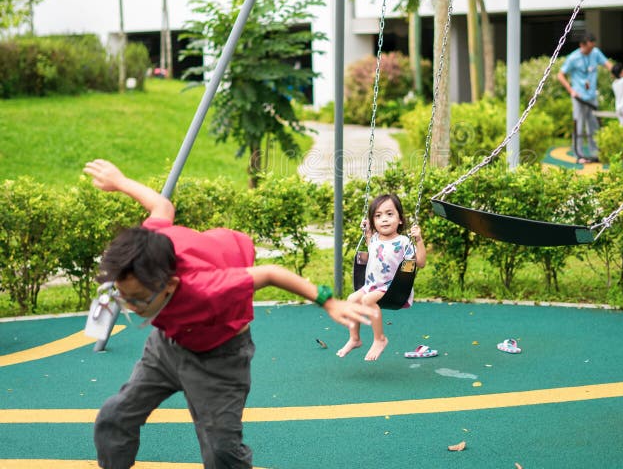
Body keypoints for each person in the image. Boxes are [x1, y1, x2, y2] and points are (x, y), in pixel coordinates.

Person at [82, 158, 376, 469]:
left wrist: (328, 301)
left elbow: (270, 273)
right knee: (114, 418)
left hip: (219, 359)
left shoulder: (207, 288)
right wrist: (120, 180)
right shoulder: (150, 252)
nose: (128, 305)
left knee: (221, 452)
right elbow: (162, 208)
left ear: (170, 285)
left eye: (138, 299)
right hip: (167, 348)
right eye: (123, 295)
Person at [336, 193, 427, 362]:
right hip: (371, 285)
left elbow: (420, 263)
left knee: (367, 301)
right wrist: (368, 232)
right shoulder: (375, 238)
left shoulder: (403, 242)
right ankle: (355, 338)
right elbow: (372, 250)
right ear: (374, 221)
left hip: (392, 288)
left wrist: (419, 240)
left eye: (389, 214)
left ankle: (380, 339)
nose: (384, 219)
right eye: (378, 216)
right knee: (351, 299)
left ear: (400, 219)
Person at [557, 32, 614, 163]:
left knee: (594, 125)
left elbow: (608, 65)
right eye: (589, 48)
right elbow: (560, 75)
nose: (591, 50)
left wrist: (618, 74)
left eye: (592, 47)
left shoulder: (595, 53)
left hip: (591, 97)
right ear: (581, 45)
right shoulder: (573, 58)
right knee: (579, 124)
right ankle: (579, 155)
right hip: (579, 97)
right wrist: (571, 90)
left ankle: (595, 153)